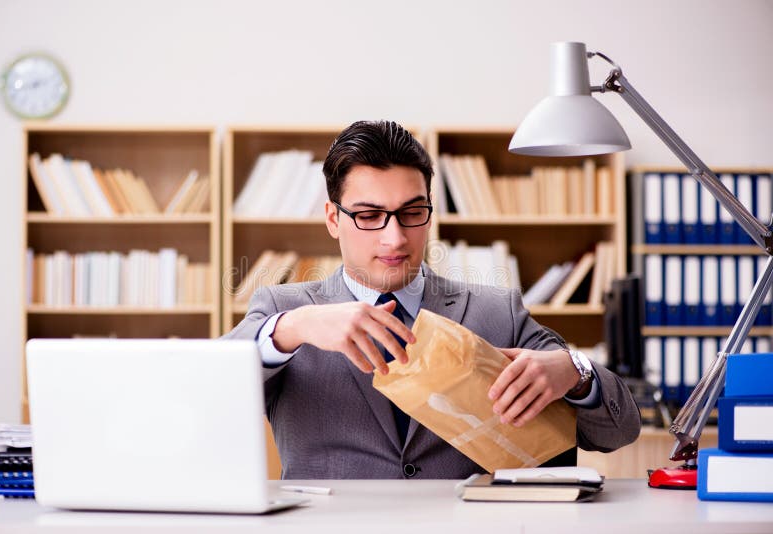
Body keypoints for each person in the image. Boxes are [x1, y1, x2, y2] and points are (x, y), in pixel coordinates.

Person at [224, 120, 641, 479]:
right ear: (334, 219)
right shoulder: (284, 310)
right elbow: (207, 401)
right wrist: (293, 328)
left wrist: (576, 371)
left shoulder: (498, 311)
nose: (396, 237)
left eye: (411, 212)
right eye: (369, 216)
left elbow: (619, 430)